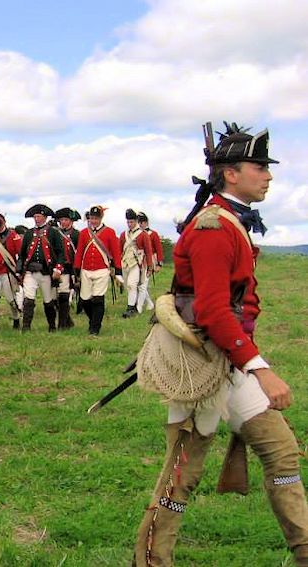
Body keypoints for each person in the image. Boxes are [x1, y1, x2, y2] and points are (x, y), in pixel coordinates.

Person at [134, 124, 308, 566]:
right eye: (258, 167)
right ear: (230, 174)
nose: (267, 176)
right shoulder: (214, 226)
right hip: (204, 363)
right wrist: (261, 368)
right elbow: (212, 309)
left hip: (227, 359)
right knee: (183, 473)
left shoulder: (228, 221)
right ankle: (151, 560)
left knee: (282, 452)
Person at [73, 206, 122, 335]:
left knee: (98, 299)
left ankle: (95, 328)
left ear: (101, 218)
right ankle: (93, 321)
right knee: (85, 301)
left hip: (102, 270)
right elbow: (79, 253)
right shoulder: (84, 233)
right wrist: (77, 269)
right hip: (86, 270)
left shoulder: (110, 232)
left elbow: (116, 252)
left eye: (96, 218)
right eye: (91, 218)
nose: (93, 221)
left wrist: (118, 270)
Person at [16, 204, 65, 332]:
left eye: (39, 216)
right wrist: (19, 270)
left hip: (46, 272)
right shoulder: (29, 233)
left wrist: (58, 268)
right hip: (30, 271)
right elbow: (22, 254)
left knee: (48, 301)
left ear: (44, 217)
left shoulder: (53, 232)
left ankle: (52, 326)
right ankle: (26, 327)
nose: (36, 219)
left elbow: (60, 252)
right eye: (35, 216)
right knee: (28, 299)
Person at [119, 209, 154, 318]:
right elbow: (120, 250)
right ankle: (132, 305)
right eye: (128, 222)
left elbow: (148, 252)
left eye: (132, 222)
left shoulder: (143, 234)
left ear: (136, 222)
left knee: (132, 284)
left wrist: (149, 267)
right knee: (128, 286)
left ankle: (130, 308)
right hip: (125, 263)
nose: (130, 224)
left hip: (137, 264)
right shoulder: (123, 234)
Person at [53, 207, 81, 329]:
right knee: (54, 298)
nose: (63, 222)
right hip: (56, 268)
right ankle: (68, 321)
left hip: (69, 269)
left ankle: (62, 324)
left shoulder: (76, 235)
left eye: (65, 219)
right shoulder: (54, 233)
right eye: (61, 220)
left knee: (64, 296)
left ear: (71, 221)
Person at [138, 211, 163, 311]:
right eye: (139, 222)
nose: (140, 224)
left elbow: (159, 249)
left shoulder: (153, 234)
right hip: (138, 260)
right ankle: (149, 303)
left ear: (146, 222)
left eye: (142, 222)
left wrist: (158, 264)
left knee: (143, 284)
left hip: (149, 260)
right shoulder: (137, 234)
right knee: (139, 284)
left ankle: (138, 307)